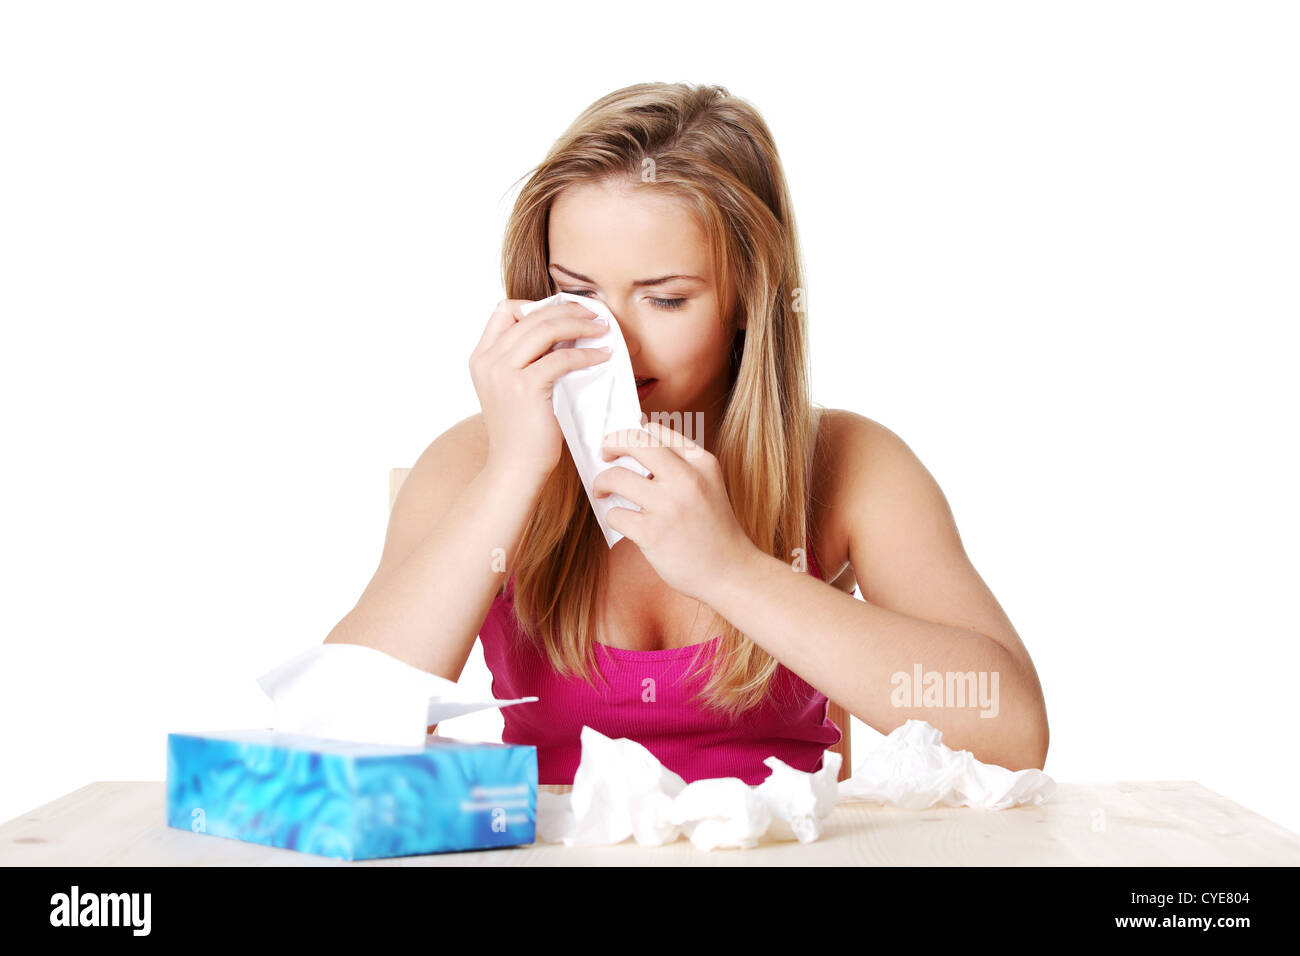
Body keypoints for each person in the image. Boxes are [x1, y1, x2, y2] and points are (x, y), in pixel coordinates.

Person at [326, 82, 1049, 786]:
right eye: (576, 293)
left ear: (748, 300)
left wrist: (731, 569)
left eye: (666, 299)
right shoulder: (472, 462)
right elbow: (334, 731)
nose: (613, 341)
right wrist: (513, 471)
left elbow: (1013, 734)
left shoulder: (849, 464)